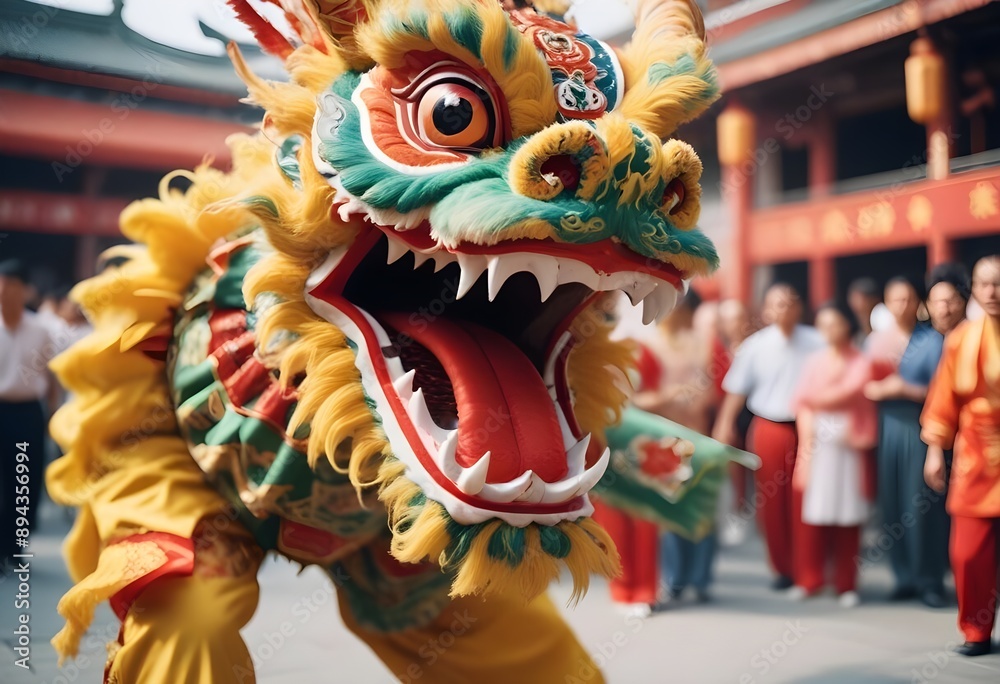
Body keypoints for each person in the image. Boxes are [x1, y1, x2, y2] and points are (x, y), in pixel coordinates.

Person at [714, 283, 824, 590]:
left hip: (808, 429)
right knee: (772, 501)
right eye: (776, 304)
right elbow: (736, 390)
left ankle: (810, 568)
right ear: (765, 310)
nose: (784, 309)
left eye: (790, 302)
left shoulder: (817, 342)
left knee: (807, 498)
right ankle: (782, 568)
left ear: (799, 307)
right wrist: (724, 424)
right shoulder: (755, 346)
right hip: (769, 428)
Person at [864, 273, 960, 607]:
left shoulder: (933, 340)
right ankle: (902, 575)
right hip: (887, 426)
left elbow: (945, 391)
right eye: (895, 299)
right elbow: (862, 382)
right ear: (886, 304)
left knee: (920, 505)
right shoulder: (876, 341)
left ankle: (929, 578)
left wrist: (903, 389)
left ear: (918, 303)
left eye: (908, 299)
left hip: (919, 427)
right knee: (892, 502)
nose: (902, 306)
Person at [921, 255, 1000, 657]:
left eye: (998, 283)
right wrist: (936, 447)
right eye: (985, 283)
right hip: (975, 455)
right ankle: (976, 629)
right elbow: (944, 400)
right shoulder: (962, 339)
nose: (992, 292)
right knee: (968, 552)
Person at [790, 302, 876, 607]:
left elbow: (850, 391)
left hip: (849, 444)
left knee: (847, 514)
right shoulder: (814, 361)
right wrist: (805, 444)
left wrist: (815, 399)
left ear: (847, 325)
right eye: (823, 324)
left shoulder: (861, 361)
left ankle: (846, 583)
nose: (828, 331)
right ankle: (810, 578)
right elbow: (800, 403)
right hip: (818, 441)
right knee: (813, 515)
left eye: (834, 323)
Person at [634, 291, 718, 603]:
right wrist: (669, 399)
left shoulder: (701, 343)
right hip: (663, 437)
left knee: (700, 505)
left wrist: (696, 402)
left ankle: (701, 577)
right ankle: (674, 577)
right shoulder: (647, 346)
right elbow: (635, 399)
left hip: (696, 433)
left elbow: (711, 387)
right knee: (668, 508)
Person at [0, 259, 58, 570]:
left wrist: (52, 415)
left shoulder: (41, 331)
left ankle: (16, 544)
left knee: (23, 479)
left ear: (25, 291)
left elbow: (51, 378)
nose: (4, 291)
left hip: (27, 414)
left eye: (11, 285)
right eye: (1, 284)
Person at [848, 277, 882, 346]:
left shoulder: (884, 319)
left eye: (858, 298)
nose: (854, 302)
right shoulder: (851, 325)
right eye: (852, 298)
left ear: (874, 300)